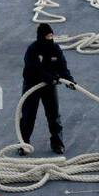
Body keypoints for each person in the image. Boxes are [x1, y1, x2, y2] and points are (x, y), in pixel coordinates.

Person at [19, 23, 73, 155]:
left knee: (54, 115)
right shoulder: (32, 50)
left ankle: (57, 144)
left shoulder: (55, 49)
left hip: (49, 87)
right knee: (28, 116)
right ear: (41, 37)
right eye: (48, 36)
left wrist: (69, 80)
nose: (50, 39)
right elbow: (34, 69)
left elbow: (62, 67)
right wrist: (50, 77)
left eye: (51, 36)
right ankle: (24, 144)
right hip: (32, 85)